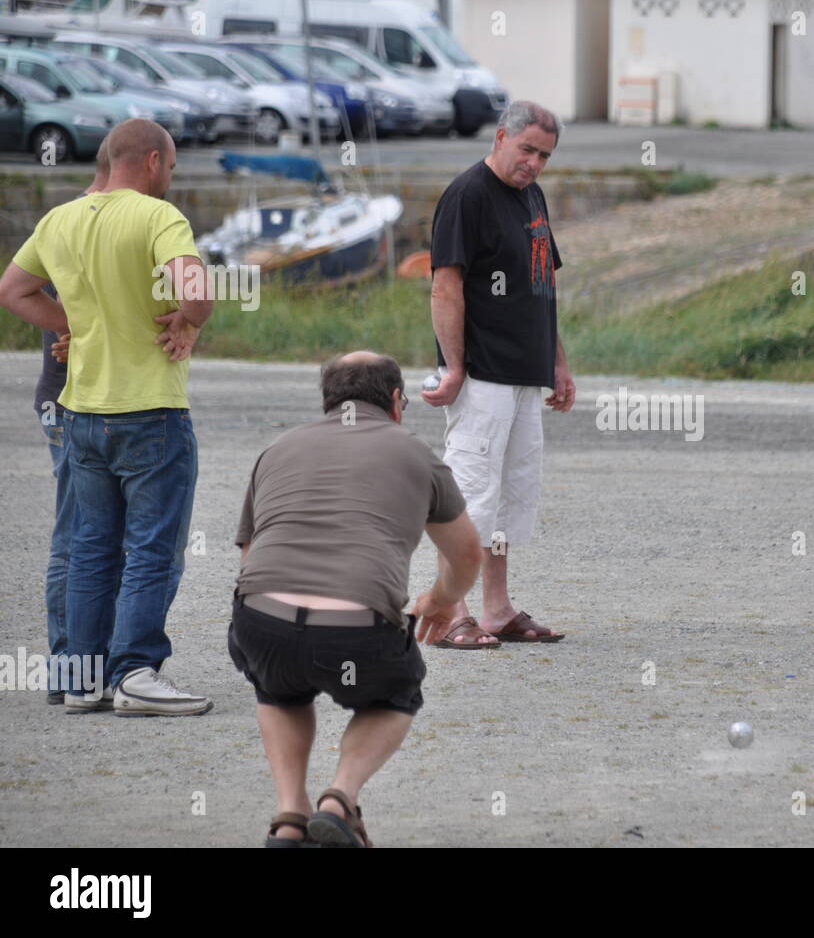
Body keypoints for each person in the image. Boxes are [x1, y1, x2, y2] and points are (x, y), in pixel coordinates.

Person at [0, 118, 212, 715]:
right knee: (151, 548)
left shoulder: (59, 219)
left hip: (81, 411)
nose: (170, 178)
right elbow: (196, 294)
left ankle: (80, 677)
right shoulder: (157, 218)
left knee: (90, 547)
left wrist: (71, 326)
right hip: (151, 410)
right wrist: (191, 318)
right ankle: (135, 672)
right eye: (169, 167)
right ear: (150, 160)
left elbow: (13, 290)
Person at [230, 352, 482, 847]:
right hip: (357, 628)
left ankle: (288, 817)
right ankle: (339, 800)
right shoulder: (415, 453)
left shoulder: (279, 448)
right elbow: (468, 553)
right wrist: (441, 598)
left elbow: (249, 555)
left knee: (279, 688)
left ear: (329, 401)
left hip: (263, 619)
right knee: (395, 693)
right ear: (394, 401)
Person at [421, 100, 575, 648]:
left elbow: (542, 286)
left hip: (525, 372)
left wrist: (556, 361)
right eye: (527, 149)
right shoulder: (468, 195)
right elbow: (445, 285)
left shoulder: (531, 195)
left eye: (544, 155)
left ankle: (496, 609)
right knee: (470, 492)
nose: (534, 163)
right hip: (482, 371)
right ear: (501, 136)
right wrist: (455, 365)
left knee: (511, 496)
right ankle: (449, 612)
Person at [33, 141, 113, 707]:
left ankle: (83, 662)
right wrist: (74, 328)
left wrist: (74, 326)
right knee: (79, 537)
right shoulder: (88, 225)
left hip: (73, 397)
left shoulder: (59, 221)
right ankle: (70, 667)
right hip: (74, 399)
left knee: (85, 536)